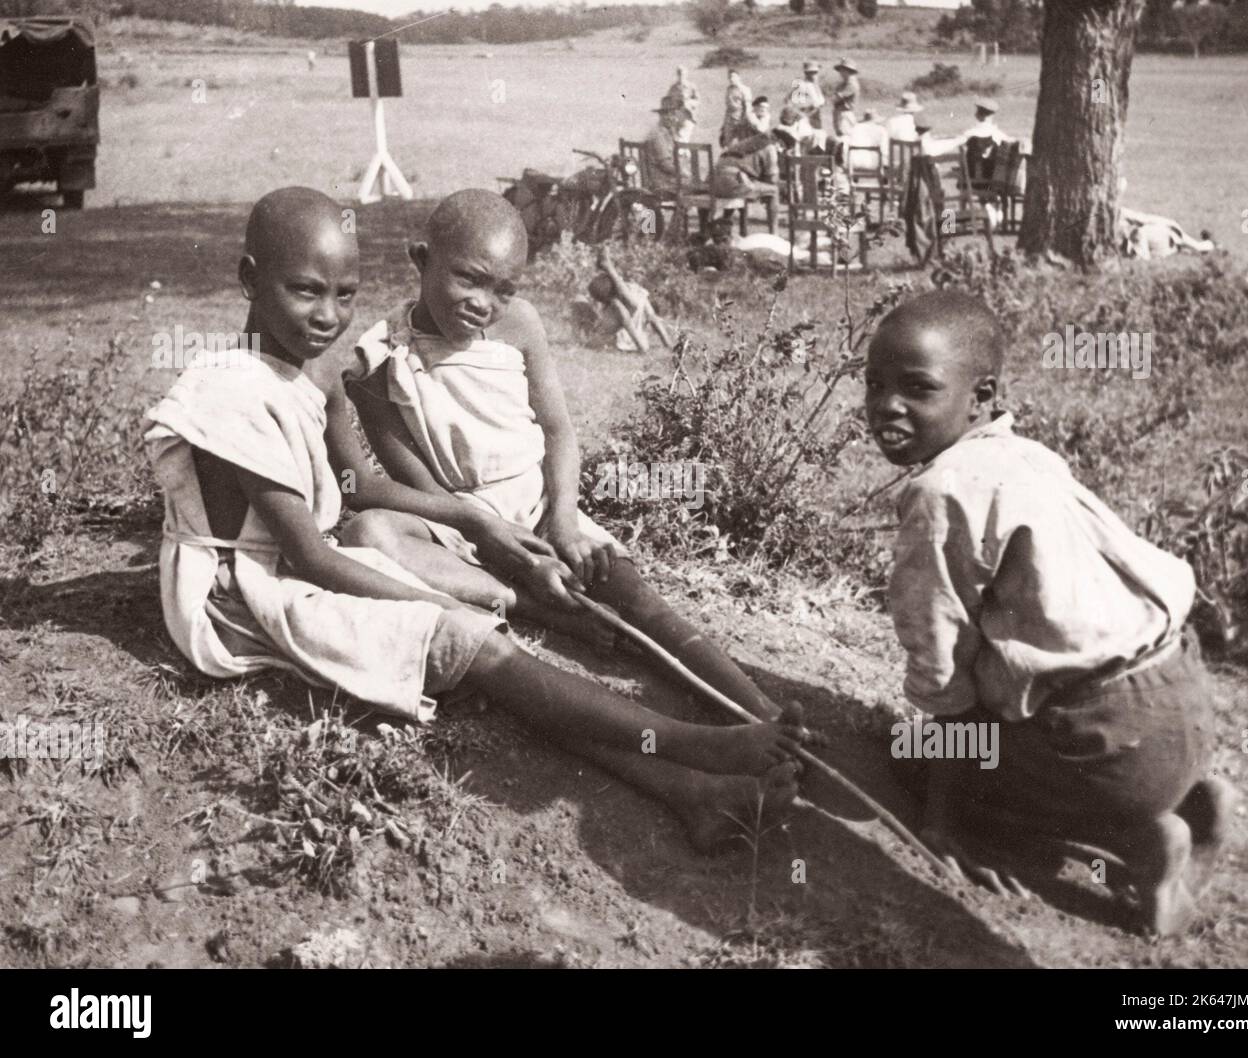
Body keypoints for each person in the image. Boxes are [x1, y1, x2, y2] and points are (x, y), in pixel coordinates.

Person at [142, 186, 805, 852]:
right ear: (250, 278)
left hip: (305, 567)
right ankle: (704, 748)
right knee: (480, 645)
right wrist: (435, 602)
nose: (328, 316)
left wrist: (477, 525)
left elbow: (362, 485)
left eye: (345, 296)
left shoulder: (317, 379)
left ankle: (697, 794)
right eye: (306, 291)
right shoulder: (232, 387)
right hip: (247, 595)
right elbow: (310, 556)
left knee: (487, 672)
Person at [340, 189, 803, 745]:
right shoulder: (381, 358)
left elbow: (558, 431)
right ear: (421, 259)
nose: (483, 304)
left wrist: (560, 520)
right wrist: (492, 538)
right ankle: (539, 607)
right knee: (369, 531)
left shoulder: (520, 327)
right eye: (468, 279)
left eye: (503, 289)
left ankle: (764, 713)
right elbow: (417, 481)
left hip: (538, 503)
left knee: (639, 603)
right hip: (459, 520)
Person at [865, 290, 1236, 936]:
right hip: (1187, 700)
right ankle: (1189, 795)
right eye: (875, 384)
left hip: (1111, 733)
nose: (887, 405)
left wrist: (941, 821)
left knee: (914, 757)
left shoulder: (939, 494)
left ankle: (1141, 838)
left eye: (918, 388)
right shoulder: (1029, 457)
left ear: (980, 397)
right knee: (958, 740)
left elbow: (941, 667)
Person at [573, 245, 674, 354]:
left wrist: (642, 348)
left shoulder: (617, 305)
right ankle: (609, 267)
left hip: (619, 344)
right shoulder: (638, 292)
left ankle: (608, 267)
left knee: (579, 299)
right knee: (632, 303)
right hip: (636, 341)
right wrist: (669, 345)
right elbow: (653, 318)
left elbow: (628, 322)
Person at [642, 98, 688, 193]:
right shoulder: (658, 135)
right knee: (700, 186)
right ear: (661, 116)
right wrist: (683, 173)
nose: (671, 118)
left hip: (667, 180)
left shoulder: (667, 132)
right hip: (662, 183)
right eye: (666, 114)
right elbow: (665, 164)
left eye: (673, 114)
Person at [786, 60, 826, 131]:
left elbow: (820, 102)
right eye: (811, 73)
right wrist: (799, 113)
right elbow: (788, 101)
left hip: (816, 116)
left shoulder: (816, 86)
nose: (814, 75)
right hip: (806, 115)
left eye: (815, 73)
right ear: (806, 73)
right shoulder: (802, 85)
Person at [719, 68, 754, 148]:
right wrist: (724, 124)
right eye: (729, 77)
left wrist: (745, 121)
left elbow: (748, 107)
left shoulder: (745, 89)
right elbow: (728, 106)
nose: (731, 79)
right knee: (728, 144)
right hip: (729, 119)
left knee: (743, 143)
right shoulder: (729, 89)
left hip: (741, 119)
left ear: (739, 77)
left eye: (733, 76)